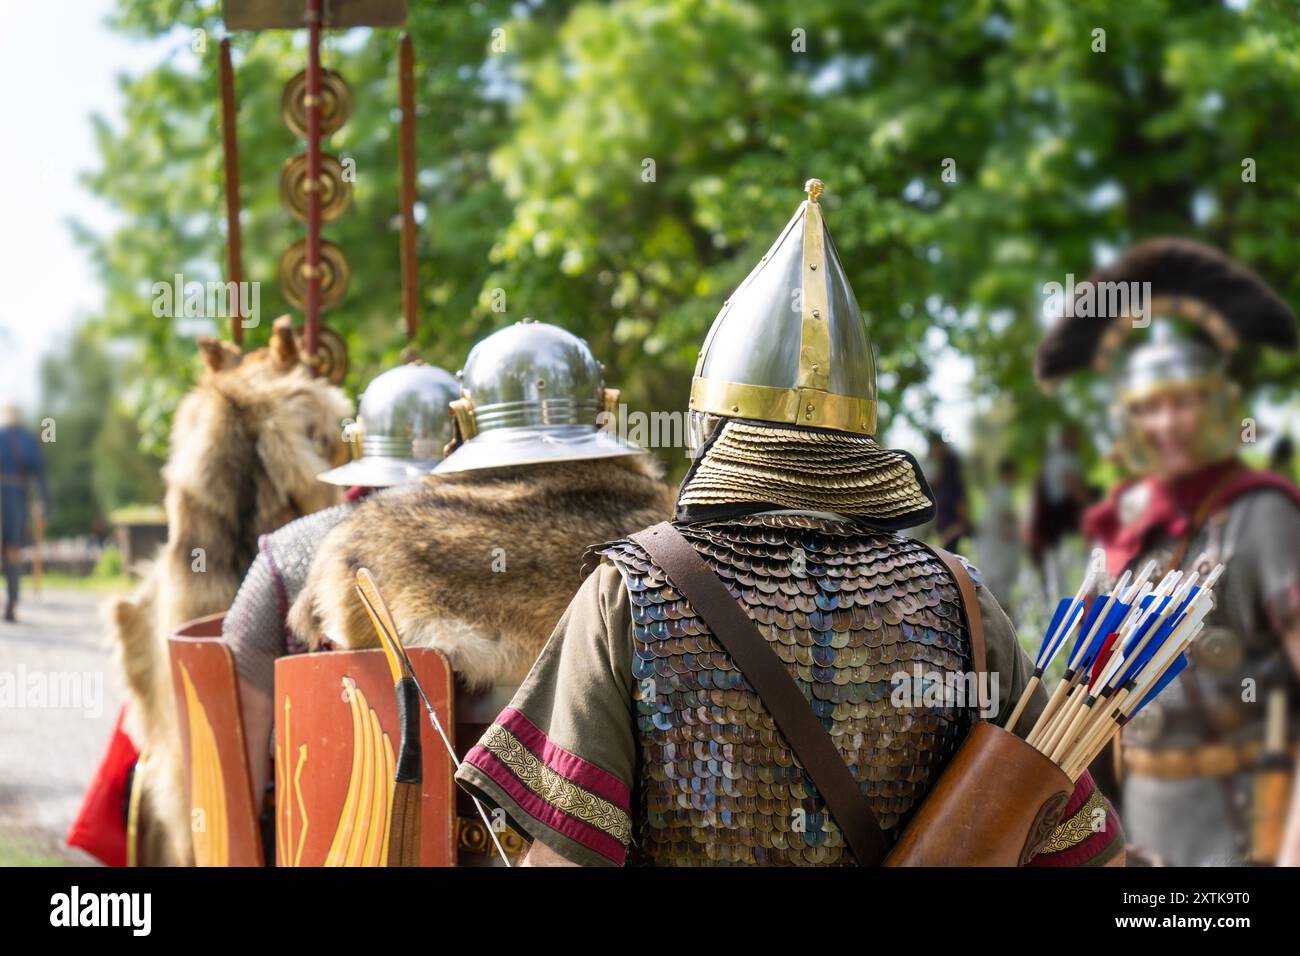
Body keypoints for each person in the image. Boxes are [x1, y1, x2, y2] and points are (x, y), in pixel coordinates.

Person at [454, 180, 1123, 867]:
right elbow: (1083, 852)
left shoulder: (632, 589)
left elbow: (566, 859)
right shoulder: (960, 599)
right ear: (857, 430)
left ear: (714, 425)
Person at [288, 320, 673, 863]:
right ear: (603, 409)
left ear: (464, 419)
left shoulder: (379, 541)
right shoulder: (661, 535)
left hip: (419, 843)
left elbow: (321, 654)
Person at [1035, 237, 1300, 866]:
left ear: (1218, 407)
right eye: (1148, 409)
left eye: (1182, 402)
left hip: (1245, 825)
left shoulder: (1263, 514)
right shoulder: (1127, 525)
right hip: (1139, 823)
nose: (1166, 424)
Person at [222, 360, 461, 807]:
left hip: (330, 826)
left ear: (359, 442)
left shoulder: (291, 548)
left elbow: (242, 727)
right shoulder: (511, 550)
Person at [1029, 426, 1090, 604]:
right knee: (1068, 566)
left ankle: (1061, 601)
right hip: (1064, 517)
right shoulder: (1065, 459)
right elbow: (1072, 484)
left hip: (1056, 520)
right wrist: (1091, 508)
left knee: (1057, 568)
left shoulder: (1052, 460)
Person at [0, 403, 49, 623]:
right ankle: (11, 602)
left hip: (12, 494)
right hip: (15, 497)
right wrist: (42, 502)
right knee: (12, 550)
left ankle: (11, 602)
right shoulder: (27, 440)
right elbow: (38, 474)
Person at [976, 457, 1022, 612]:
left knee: (998, 588)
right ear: (1008, 473)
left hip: (995, 547)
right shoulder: (1001, 493)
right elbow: (1004, 518)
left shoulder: (1000, 492)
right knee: (999, 590)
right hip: (997, 549)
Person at [926, 430, 970, 553]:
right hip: (942, 542)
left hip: (951, 546)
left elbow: (963, 523)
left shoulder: (955, 486)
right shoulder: (940, 485)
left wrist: (946, 536)